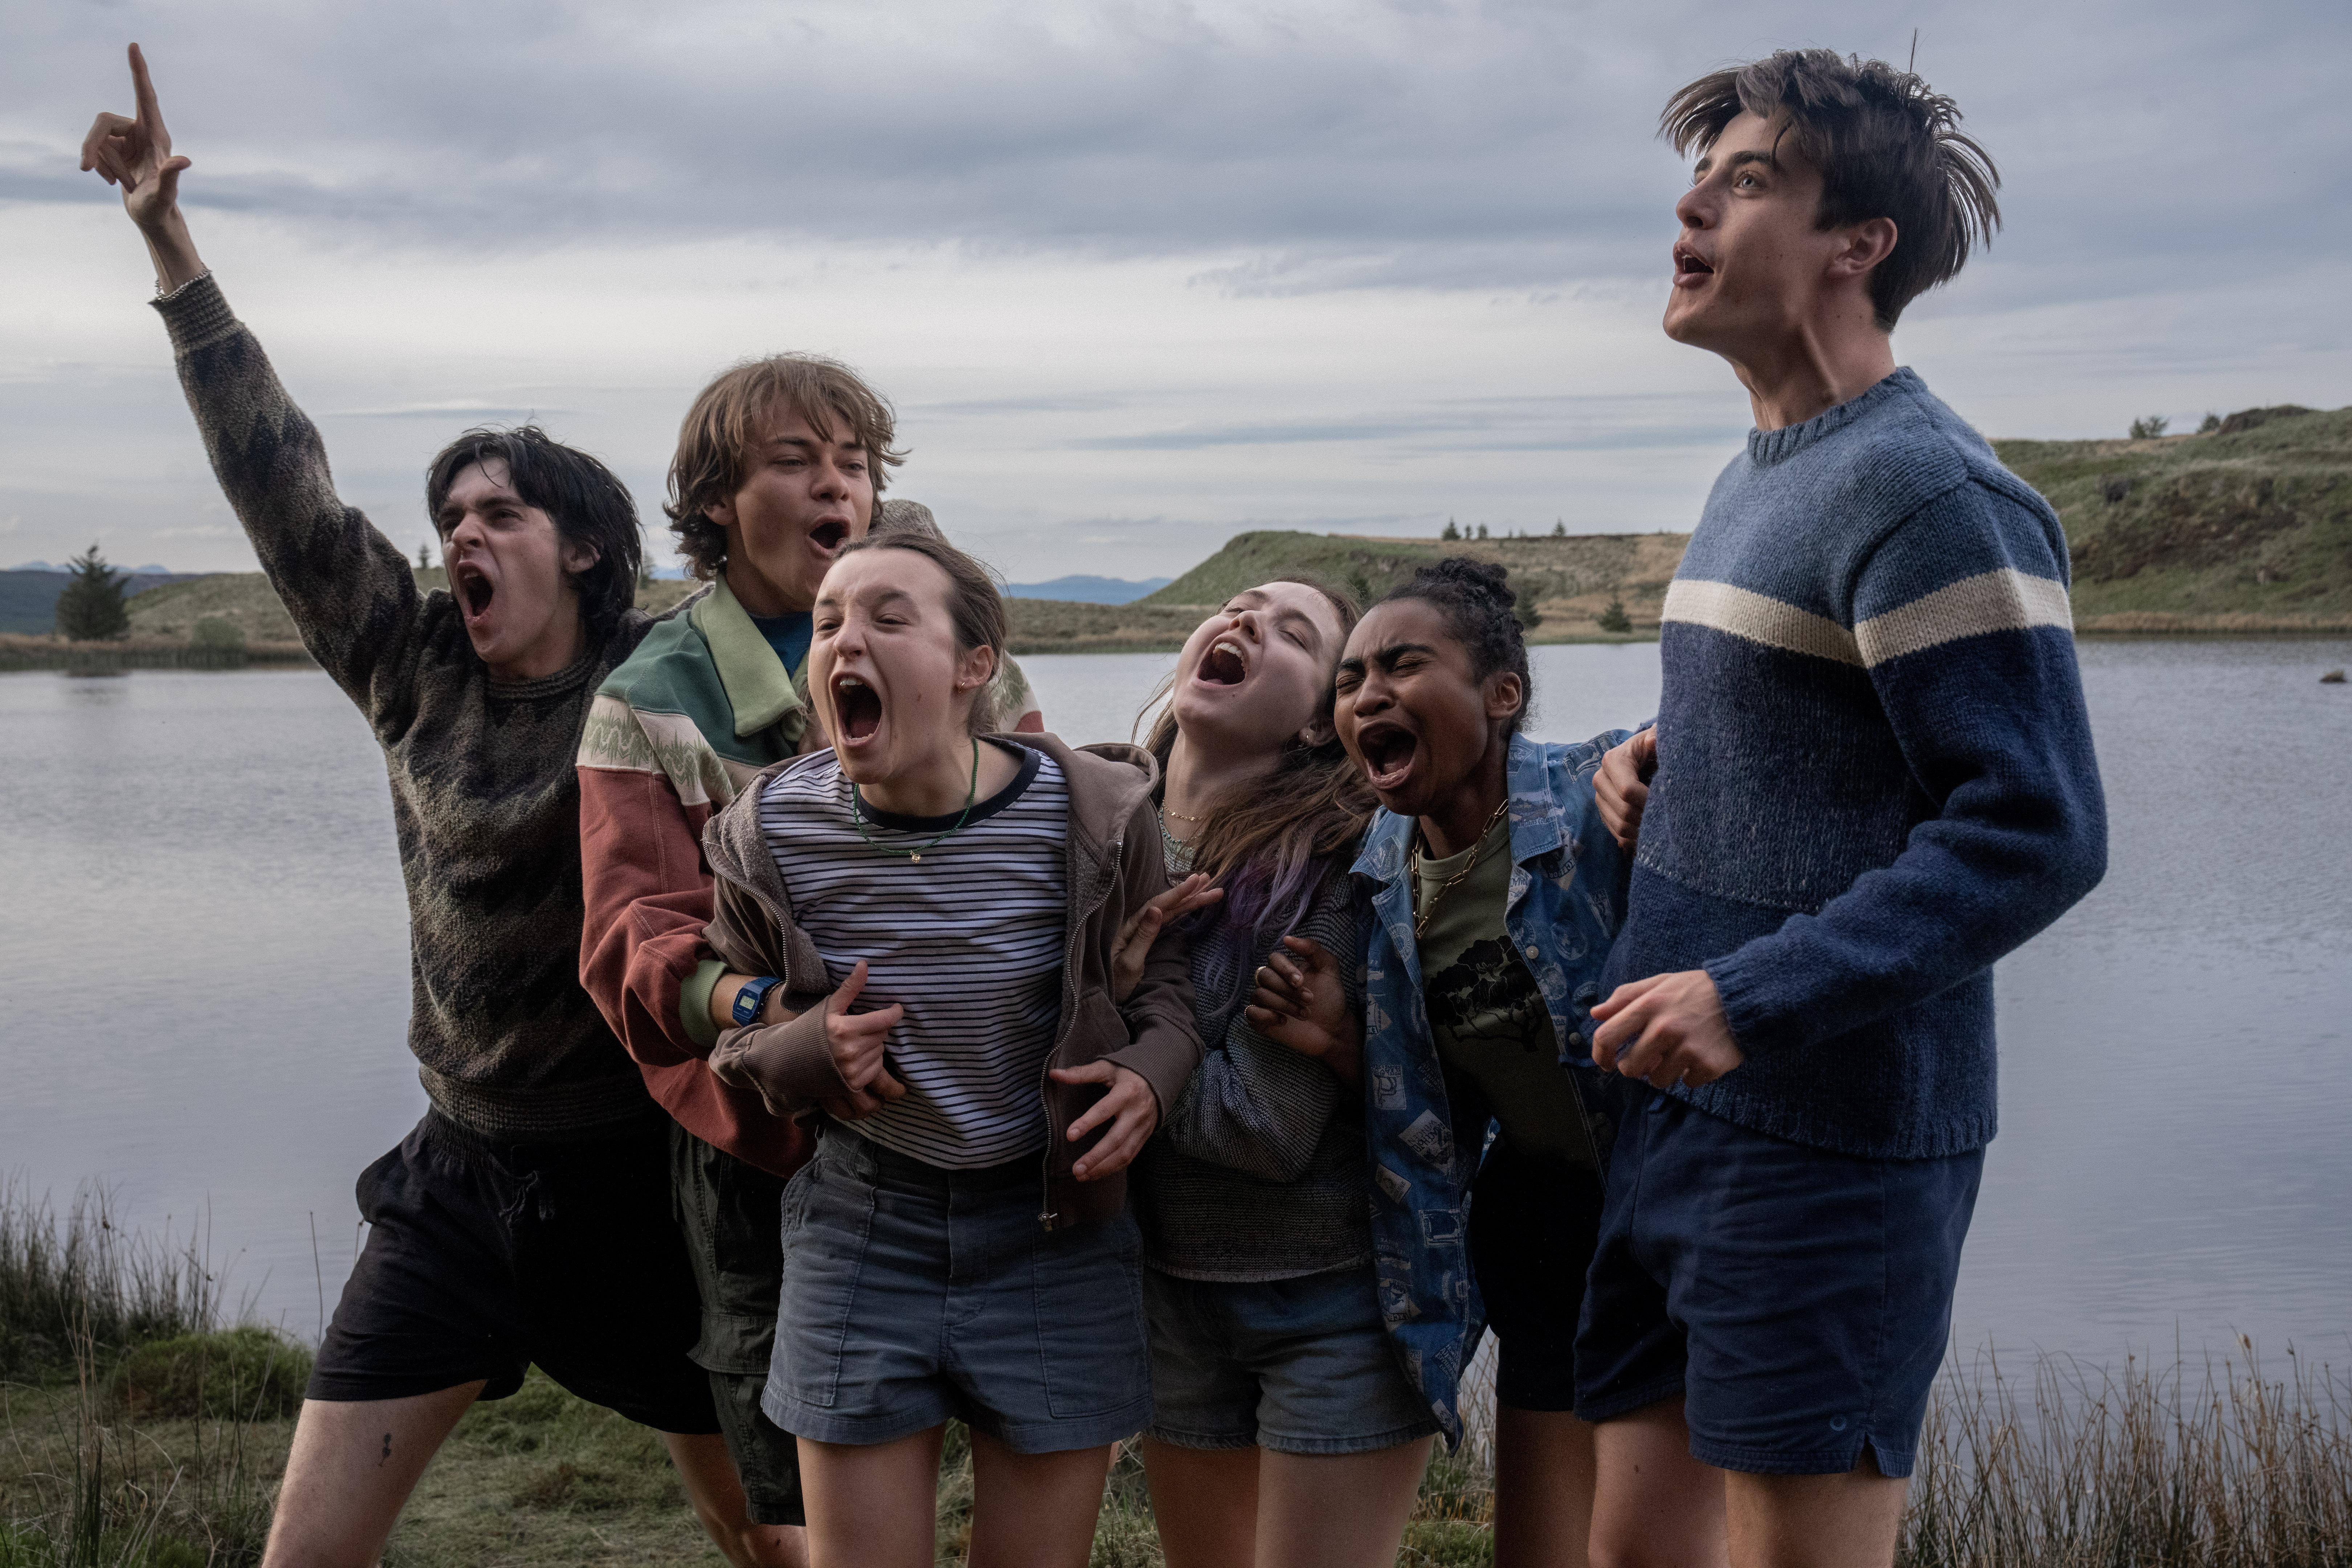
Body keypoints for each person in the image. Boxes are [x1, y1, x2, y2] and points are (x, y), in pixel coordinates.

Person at [78, 44, 797, 1568]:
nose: (463, 534)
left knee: (766, 1539)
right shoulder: (410, 668)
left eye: (499, 512)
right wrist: (169, 243)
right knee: (304, 1553)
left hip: (640, 1181)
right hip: (456, 1184)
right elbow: (280, 484)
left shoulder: (662, 680)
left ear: (583, 547)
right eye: (449, 516)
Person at [1576, 50, 2108, 1568]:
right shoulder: (1757, 477)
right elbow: (1818, 731)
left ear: (1857, 244)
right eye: (1700, 179)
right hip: (1673, 1113)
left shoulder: (1933, 495)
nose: (1691, 210)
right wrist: (1655, 761)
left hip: (1830, 1146)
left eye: (1747, 182)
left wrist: (1754, 996)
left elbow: (2037, 828)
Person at [576, 356, 1037, 1547]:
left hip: (981, 1133)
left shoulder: (965, 649)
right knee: (796, 1520)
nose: (838, 485)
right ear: (717, 502)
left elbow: (1062, 844)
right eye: (795, 461)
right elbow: (632, 950)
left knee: (1027, 1460)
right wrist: (771, 1015)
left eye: (855, 462)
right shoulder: (651, 697)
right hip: (767, 1156)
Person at [685, 531, 1201, 1568]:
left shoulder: (1093, 815)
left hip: (1054, 1228)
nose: (846, 640)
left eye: (888, 617)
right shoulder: (768, 835)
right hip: (863, 1225)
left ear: (975, 667)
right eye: (828, 622)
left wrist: (1152, 1077)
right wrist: (805, 1053)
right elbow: (735, 1033)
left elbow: (1172, 988)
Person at [1263, 558, 1718, 1568]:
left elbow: (1743, 736)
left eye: (1404, 664)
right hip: (1544, 1230)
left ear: (1502, 694)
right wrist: (1343, 1042)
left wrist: (1663, 760)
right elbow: (1443, 1104)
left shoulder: (1598, 793)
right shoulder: (1379, 876)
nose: (1367, 693)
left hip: (1679, 1221)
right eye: (1350, 678)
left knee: (1666, 1541)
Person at [1117, 579, 1440, 1568]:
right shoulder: (1096, 825)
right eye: (1237, 604)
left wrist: (1110, 1017)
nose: (1245, 621)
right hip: (1164, 1294)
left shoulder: (1329, 869)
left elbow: (1262, 1123)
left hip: (1327, 1302)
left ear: (1315, 722)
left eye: (1294, 634)